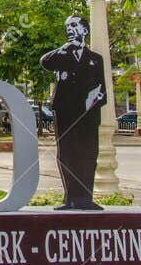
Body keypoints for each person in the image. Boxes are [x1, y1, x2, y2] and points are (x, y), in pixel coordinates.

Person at [39, 16, 108, 210]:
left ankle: (85, 198)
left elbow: (102, 89)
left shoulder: (96, 59)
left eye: (73, 25)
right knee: (68, 154)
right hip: (66, 113)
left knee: (88, 154)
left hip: (88, 114)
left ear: (85, 30)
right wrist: (66, 47)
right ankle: (71, 199)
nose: (69, 29)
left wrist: (93, 101)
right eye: (67, 26)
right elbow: (45, 62)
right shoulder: (61, 56)